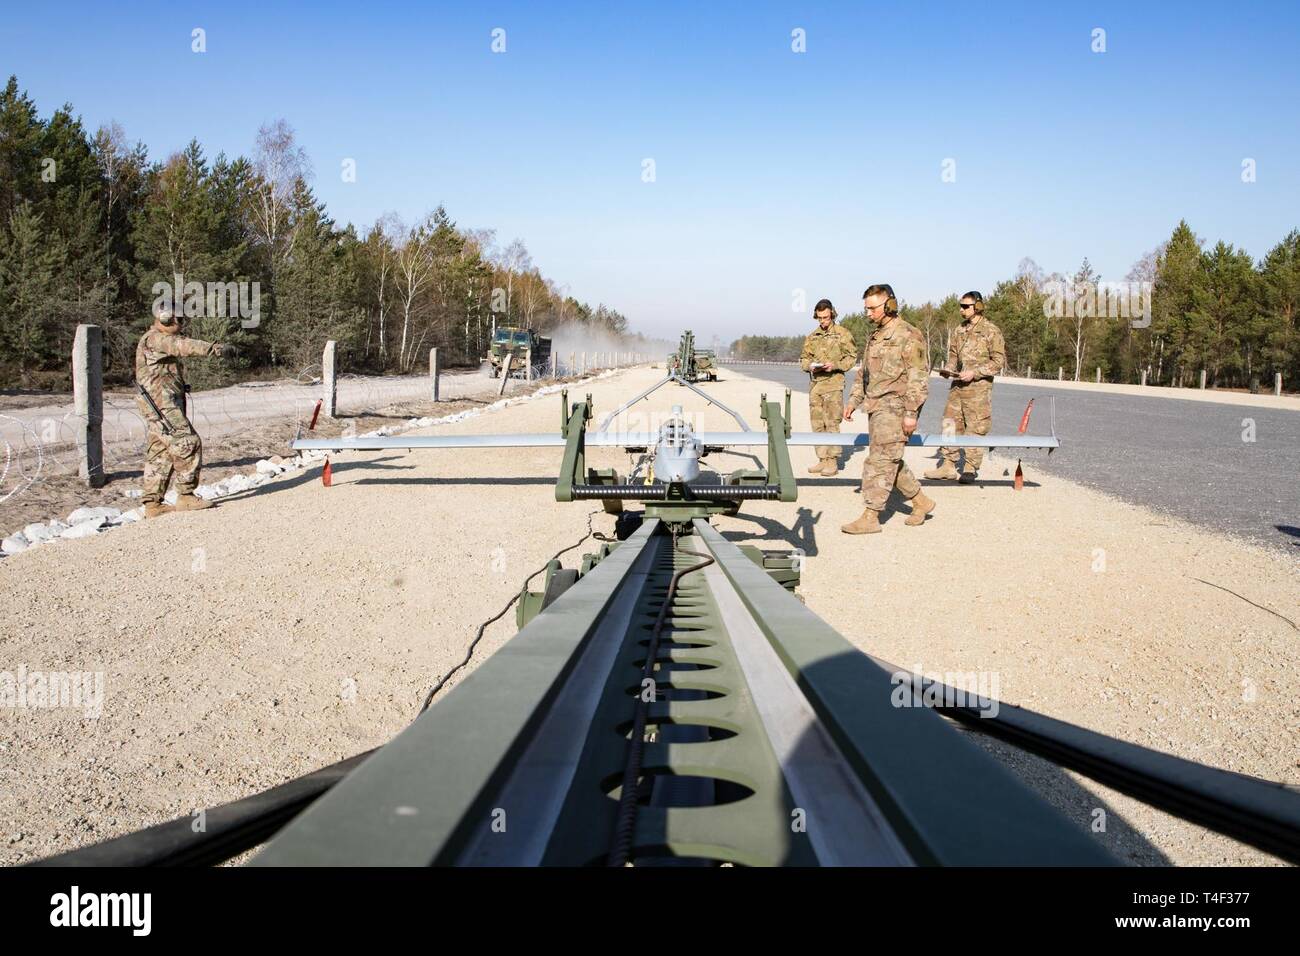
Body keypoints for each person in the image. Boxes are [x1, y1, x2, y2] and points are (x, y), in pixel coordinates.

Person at [841, 284, 935, 534]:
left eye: (872, 308)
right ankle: (921, 502)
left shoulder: (909, 335)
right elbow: (864, 373)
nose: (868, 314)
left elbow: (918, 377)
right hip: (876, 406)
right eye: (866, 309)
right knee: (891, 458)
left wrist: (911, 414)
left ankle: (871, 516)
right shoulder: (876, 336)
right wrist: (853, 401)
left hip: (897, 407)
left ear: (890, 305)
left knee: (879, 461)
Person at [135, 303, 231, 518]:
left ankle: (153, 503)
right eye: (179, 319)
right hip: (161, 404)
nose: (181, 324)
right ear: (166, 318)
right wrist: (213, 348)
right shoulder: (156, 338)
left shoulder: (154, 339)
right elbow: (181, 346)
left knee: (159, 452)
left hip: (160, 403)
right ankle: (186, 495)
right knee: (187, 442)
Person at [926, 291, 1006, 483]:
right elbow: (954, 357)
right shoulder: (959, 330)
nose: (962, 310)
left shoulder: (991, 331)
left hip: (978, 389)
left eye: (966, 306)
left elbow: (998, 361)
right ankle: (948, 465)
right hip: (957, 386)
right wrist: (948, 369)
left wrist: (975, 373)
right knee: (949, 423)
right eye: (960, 306)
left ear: (977, 307)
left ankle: (970, 468)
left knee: (976, 426)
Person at [798, 298, 857, 476]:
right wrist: (810, 366)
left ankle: (832, 462)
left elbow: (851, 357)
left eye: (826, 317)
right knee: (817, 424)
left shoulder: (843, 334)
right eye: (820, 318)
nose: (823, 321)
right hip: (815, 386)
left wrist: (836, 365)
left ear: (832, 314)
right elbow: (803, 359)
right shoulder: (812, 337)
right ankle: (822, 460)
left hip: (833, 385)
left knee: (832, 423)